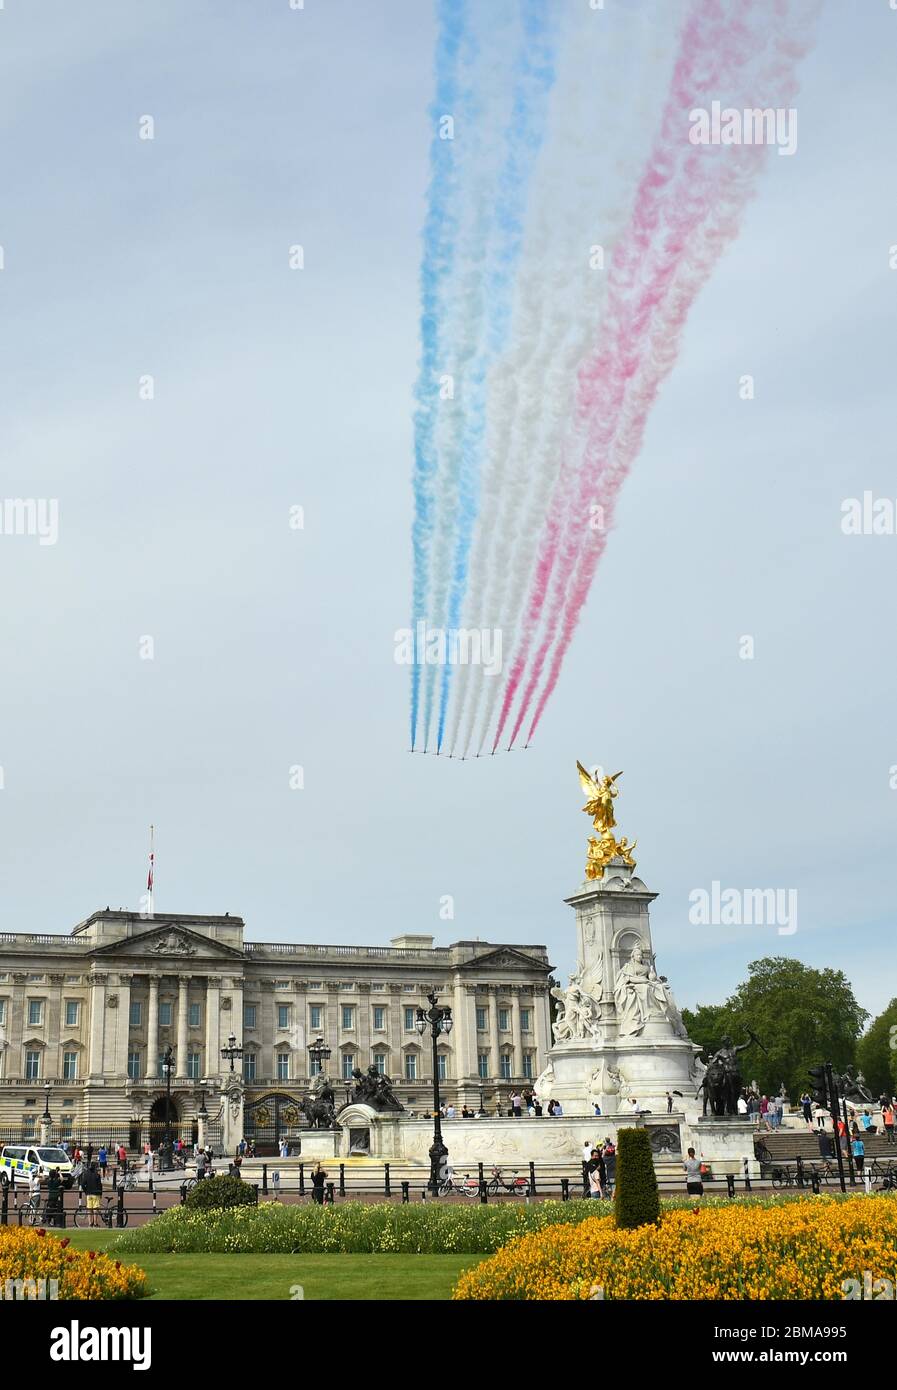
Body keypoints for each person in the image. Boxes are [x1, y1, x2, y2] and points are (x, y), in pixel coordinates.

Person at [83, 1161, 103, 1229]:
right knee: (95, 1209)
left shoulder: (86, 1174)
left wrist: (86, 1191)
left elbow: (83, 1184)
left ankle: (90, 1223)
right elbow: (100, 1185)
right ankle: (95, 1223)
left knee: (89, 1209)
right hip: (96, 1193)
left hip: (89, 1193)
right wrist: (100, 1193)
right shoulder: (97, 1175)